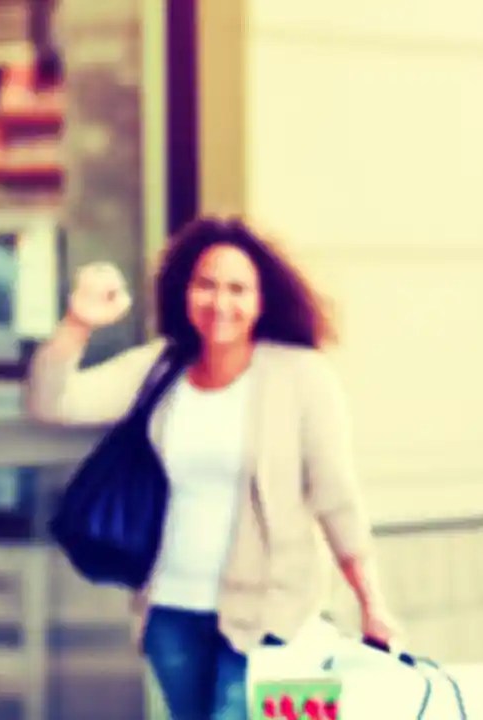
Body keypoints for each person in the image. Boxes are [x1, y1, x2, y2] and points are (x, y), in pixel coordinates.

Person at [27, 217, 399, 720]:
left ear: (262, 300)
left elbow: (336, 497)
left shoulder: (301, 376)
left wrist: (371, 601)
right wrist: (78, 322)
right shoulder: (161, 367)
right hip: (172, 614)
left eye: (237, 288)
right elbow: (55, 403)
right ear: (185, 291)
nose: (220, 302)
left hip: (269, 619)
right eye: (206, 285)